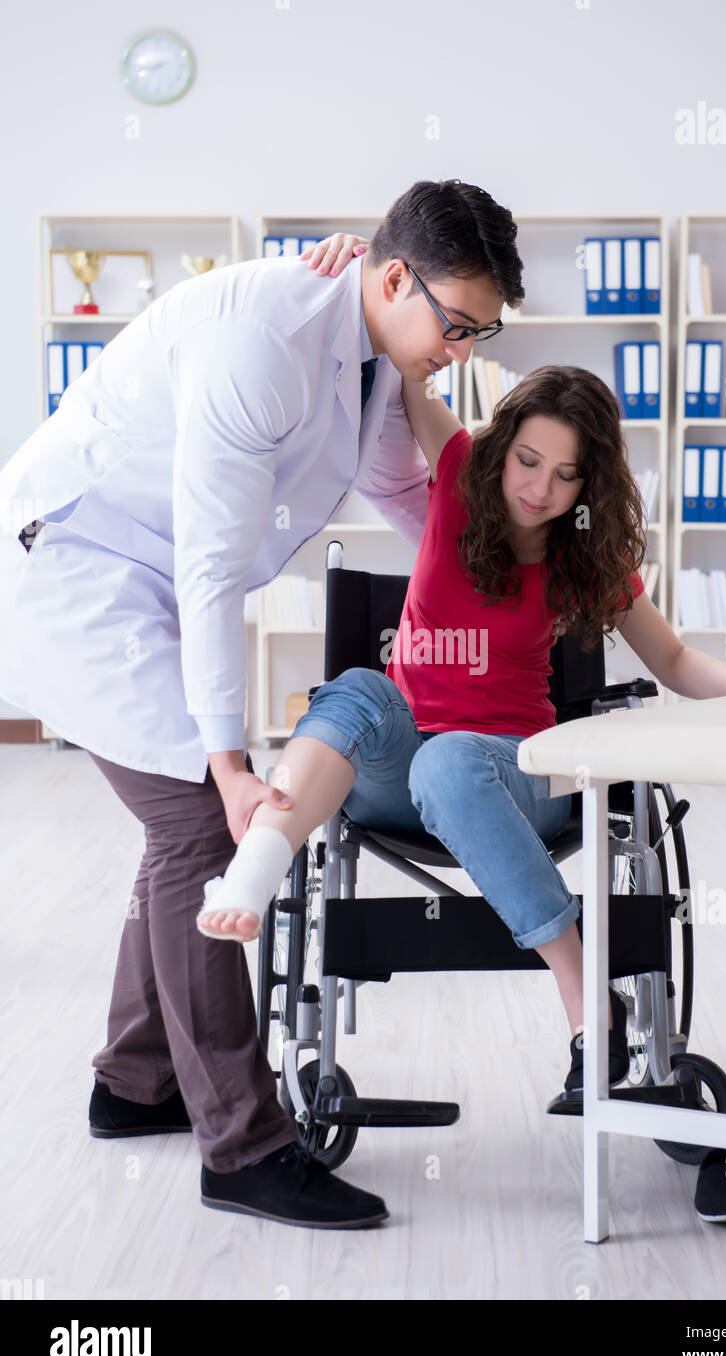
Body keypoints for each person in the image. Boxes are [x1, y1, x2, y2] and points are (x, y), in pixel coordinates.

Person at [197, 232, 726, 1226]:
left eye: (563, 475)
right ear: (502, 441)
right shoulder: (455, 468)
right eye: (526, 457)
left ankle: (587, 1013)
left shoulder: (586, 562)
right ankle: (261, 856)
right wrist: (339, 260)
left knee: (451, 760)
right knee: (359, 690)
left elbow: (670, 661)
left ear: (589, 487)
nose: (534, 485)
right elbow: (406, 342)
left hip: (512, 769)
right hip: (398, 753)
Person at [0, 180, 526, 1231]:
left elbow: (399, 492)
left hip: (150, 577)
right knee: (200, 821)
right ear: (392, 278)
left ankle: (135, 1080)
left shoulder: (376, 344)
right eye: (456, 325)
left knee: (177, 830)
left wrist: (509, 568)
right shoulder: (262, 345)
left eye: (484, 330)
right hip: (81, 573)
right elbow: (206, 567)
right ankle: (241, 1147)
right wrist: (231, 758)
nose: (462, 352)